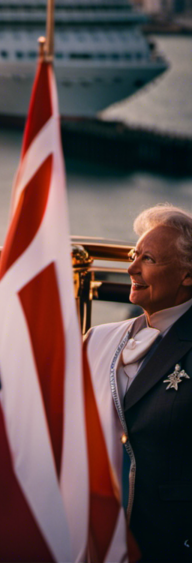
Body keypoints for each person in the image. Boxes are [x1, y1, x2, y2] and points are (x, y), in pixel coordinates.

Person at [85, 204, 192, 562]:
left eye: (148, 259)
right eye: (134, 255)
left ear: (187, 275)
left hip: (168, 543)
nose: (131, 267)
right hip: (91, 537)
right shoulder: (95, 340)